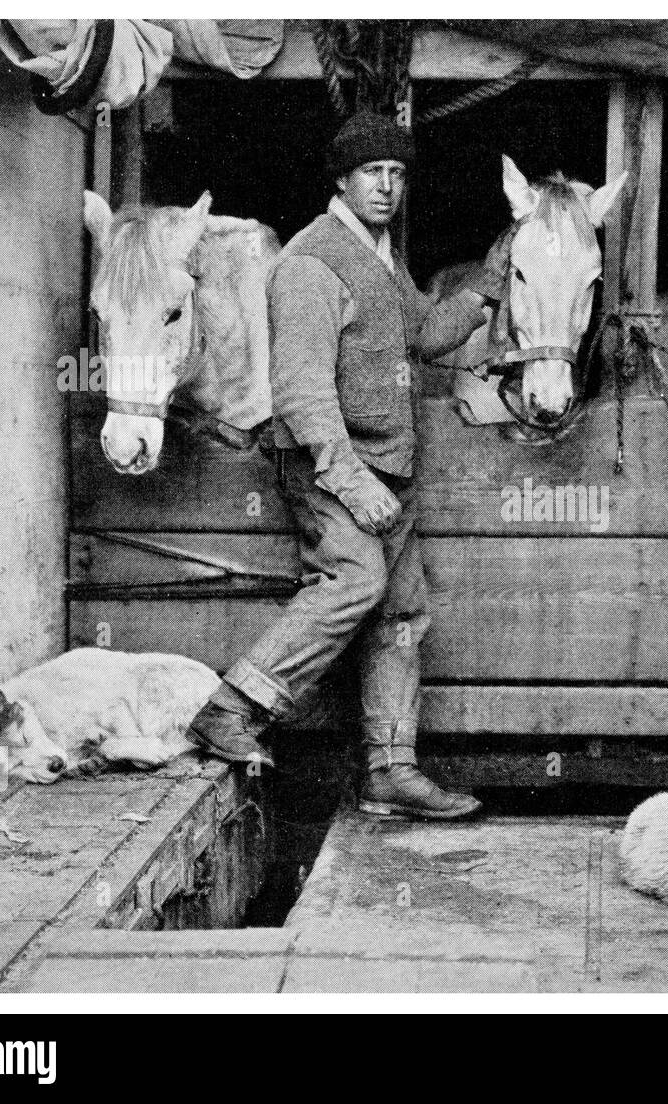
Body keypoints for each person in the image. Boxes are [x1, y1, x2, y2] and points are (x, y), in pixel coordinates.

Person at [186, 112, 505, 820]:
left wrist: (483, 292)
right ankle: (231, 706)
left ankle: (390, 770)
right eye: (372, 173)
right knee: (356, 580)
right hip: (335, 467)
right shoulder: (310, 261)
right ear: (341, 179)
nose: (387, 187)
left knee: (401, 611)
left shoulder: (380, 255)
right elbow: (300, 389)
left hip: (388, 465)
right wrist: (351, 481)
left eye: (397, 174)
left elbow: (422, 334)